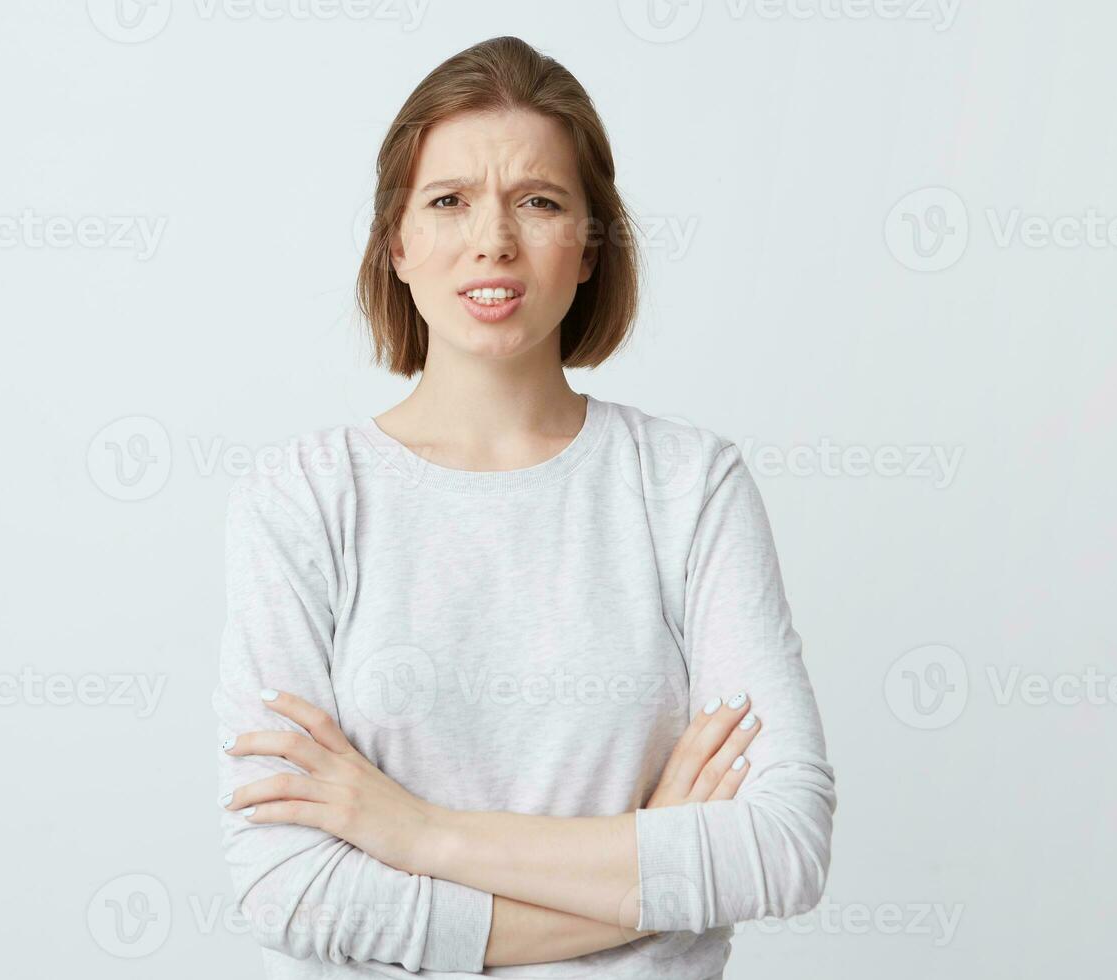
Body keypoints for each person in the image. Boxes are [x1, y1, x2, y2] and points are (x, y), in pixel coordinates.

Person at [214, 35, 835, 980]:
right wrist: (647, 876)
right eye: (449, 200)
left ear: (590, 247)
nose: (492, 238)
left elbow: (783, 847)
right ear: (399, 241)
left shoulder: (687, 485)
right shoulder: (302, 500)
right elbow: (287, 889)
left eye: (538, 201)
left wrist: (419, 833)